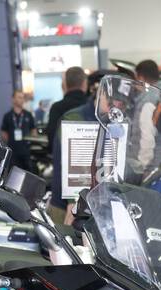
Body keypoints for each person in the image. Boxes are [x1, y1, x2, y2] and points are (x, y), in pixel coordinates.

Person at [47, 67, 91, 218]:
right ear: (85, 84)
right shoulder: (94, 110)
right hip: (91, 195)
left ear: (64, 84)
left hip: (61, 195)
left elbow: (50, 146)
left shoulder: (57, 109)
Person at [0, 91, 36, 171]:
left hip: (26, 152)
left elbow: (33, 131)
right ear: (13, 99)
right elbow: (4, 133)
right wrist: (11, 142)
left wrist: (31, 142)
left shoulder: (28, 115)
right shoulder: (8, 116)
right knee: (13, 176)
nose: (22, 99)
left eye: (23, 97)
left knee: (29, 175)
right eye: (19, 97)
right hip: (13, 153)